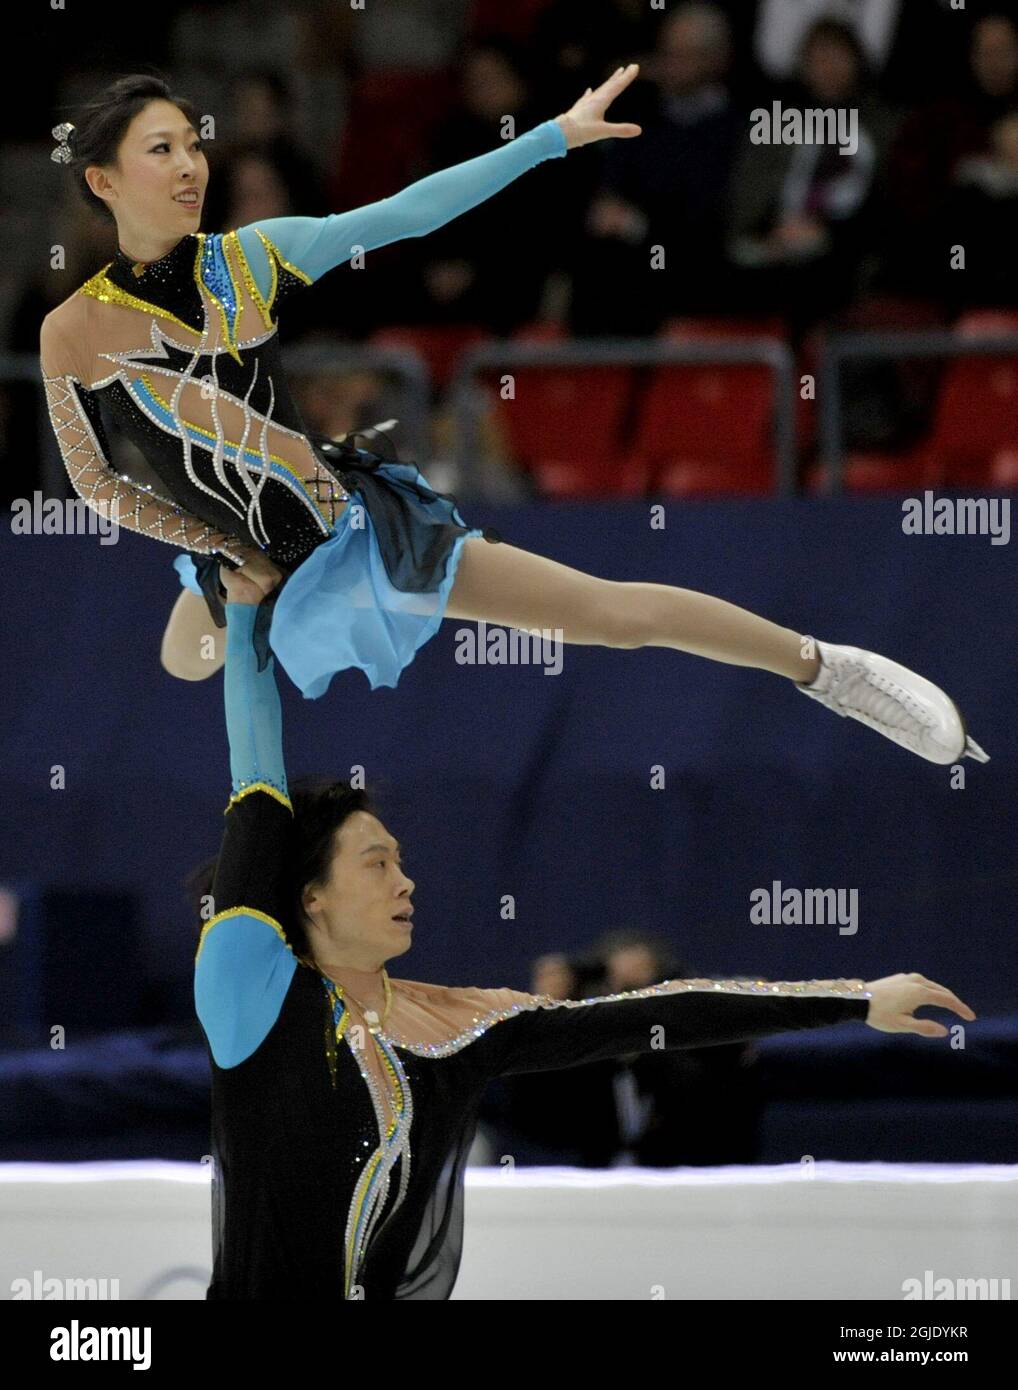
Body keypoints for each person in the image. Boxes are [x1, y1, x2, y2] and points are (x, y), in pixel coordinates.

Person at [41, 71, 987, 765]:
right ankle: (224, 588)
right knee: (183, 661)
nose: (189, 164)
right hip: (227, 542)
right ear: (103, 182)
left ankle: (825, 668)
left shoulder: (249, 261)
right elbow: (92, 479)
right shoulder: (71, 329)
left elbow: (408, 214)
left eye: (192, 143)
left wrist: (550, 139)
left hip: (349, 531)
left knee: (609, 615)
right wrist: (206, 541)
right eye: (160, 149)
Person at [195, 558, 975, 1299]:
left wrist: (857, 999)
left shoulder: (458, 1026)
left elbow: (655, 1014)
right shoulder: (250, 987)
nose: (405, 881)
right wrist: (244, 615)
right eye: (375, 863)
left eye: (401, 860)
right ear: (310, 898)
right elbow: (256, 787)